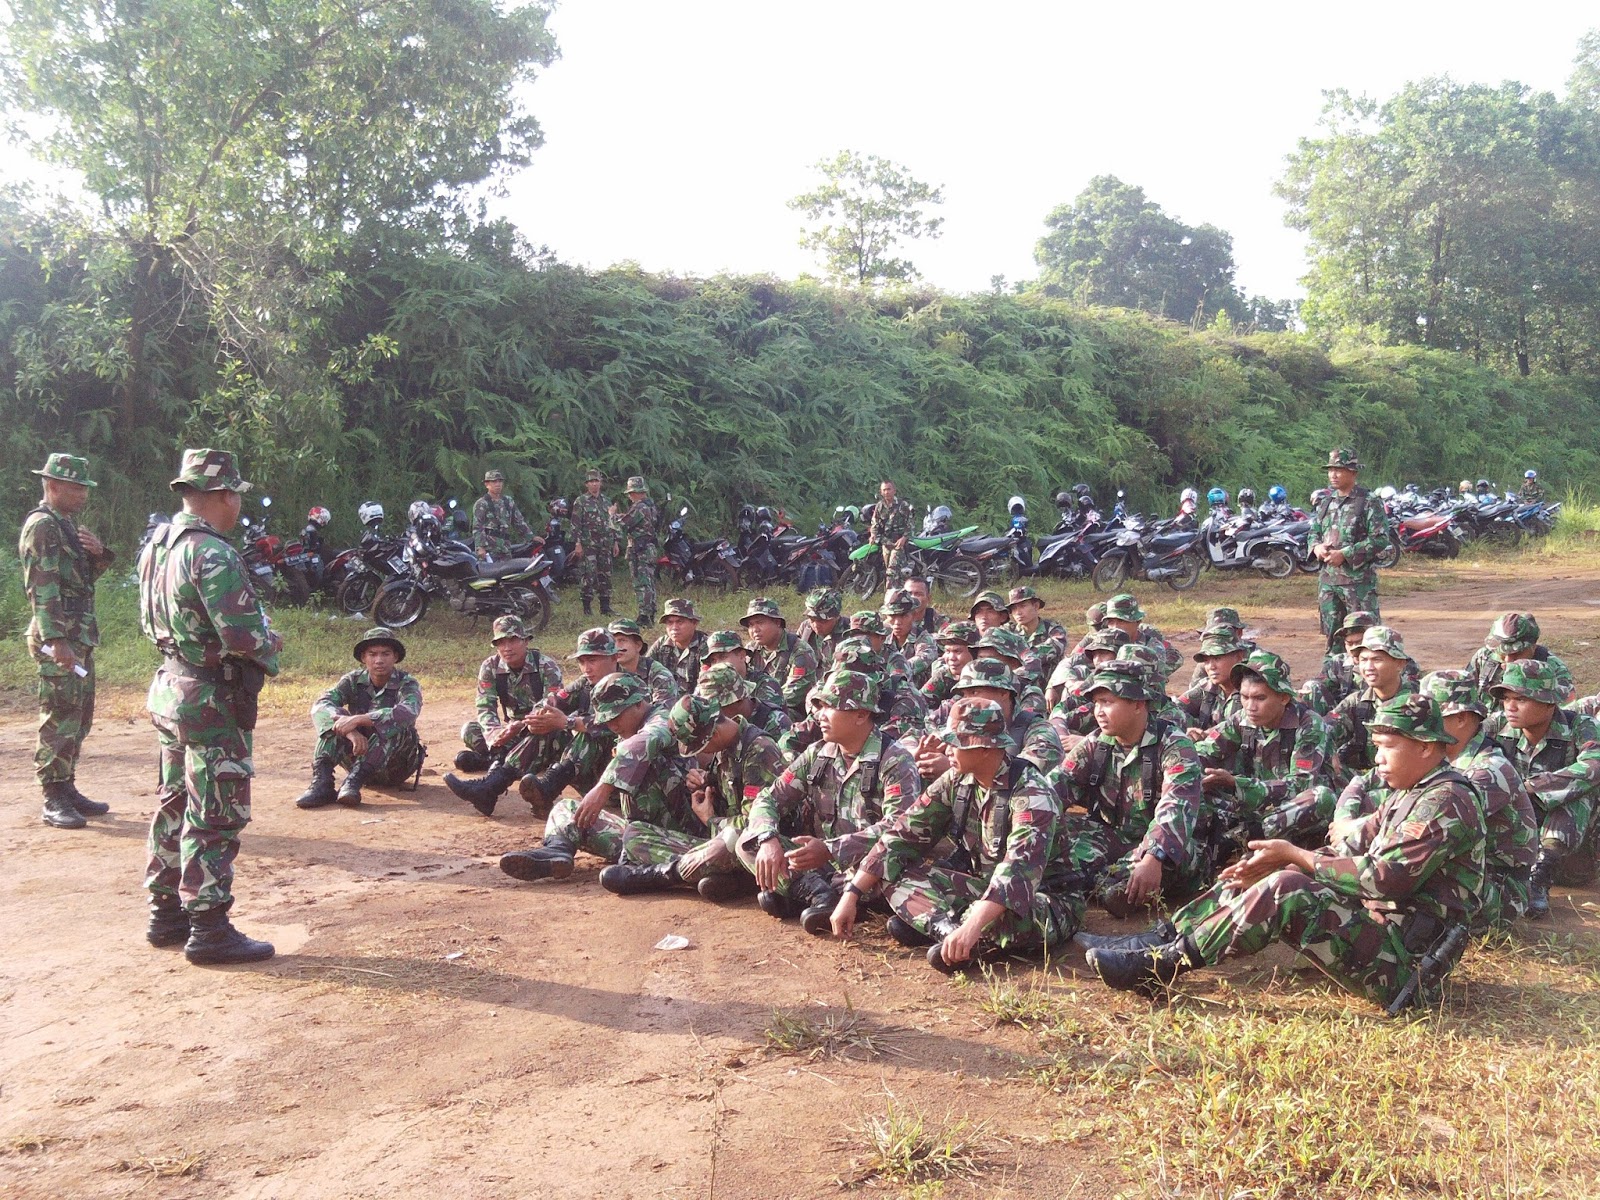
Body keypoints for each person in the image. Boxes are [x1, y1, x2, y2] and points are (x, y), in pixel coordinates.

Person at [1085, 694, 1485, 1014]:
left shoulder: (1445, 800)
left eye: (1388, 747)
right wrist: (1277, 859)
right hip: (1384, 931)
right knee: (1266, 873)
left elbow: (1384, 878)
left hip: (1405, 965)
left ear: (1428, 748)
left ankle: (1166, 965)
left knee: (1289, 887)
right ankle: (1162, 939)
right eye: (1377, 747)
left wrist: (1297, 857)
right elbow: (1351, 846)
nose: (1377, 758)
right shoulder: (1410, 793)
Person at [138, 448, 283, 964]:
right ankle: (209, 926)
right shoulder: (213, 552)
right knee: (215, 810)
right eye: (236, 497)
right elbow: (242, 636)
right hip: (211, 699)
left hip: (173, 685)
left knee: (175, 800)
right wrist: (270, 643)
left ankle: (166, 913)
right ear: (224, 495)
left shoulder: (158, 542)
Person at [831, 699, 1079, 973]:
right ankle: (949, 934)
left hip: (1043, 901)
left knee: (997, 916)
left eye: (956, 742)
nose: (947, 749)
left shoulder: (1032, 794)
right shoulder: (956, 780)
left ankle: (959, 935)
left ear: (985, 748)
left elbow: (1016, 875)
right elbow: (900, 836)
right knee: (895, 874)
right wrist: (851, 894)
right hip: (983, 888)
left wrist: (973, 924)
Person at [737, 671, 921, 933]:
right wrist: (767, 838)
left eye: (830, 707)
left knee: (903, 877)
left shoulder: (894, 760)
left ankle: (818, 897)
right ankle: (818, 894)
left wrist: (831, 849)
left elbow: (898, 829)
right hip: (825, 867)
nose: (820, 715)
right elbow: (769, 797)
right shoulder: (818, 754)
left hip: (871, 870)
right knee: (747, 841)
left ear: (861, 714)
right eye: (819, 706)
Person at [499, 672, 695, 882]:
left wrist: (603, 788)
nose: (613, 726)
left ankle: (686, 864)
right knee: (567, 809)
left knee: (645, 762)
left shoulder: (663, 718)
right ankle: (556, 851)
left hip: (679, 837)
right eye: (607, 719)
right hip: (638, 835)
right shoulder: (627, 725)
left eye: (616, 716)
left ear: (639, 703)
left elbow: (645, 741)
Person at [597, 685, 787, 900]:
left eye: (698, 746)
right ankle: (719, 875)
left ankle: (664, 875)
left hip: (754, 846)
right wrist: (703, 784)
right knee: (634, 835)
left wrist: (711, 819)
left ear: (713, 733)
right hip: (718, 838)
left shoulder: (760, 751)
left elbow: (754, 827)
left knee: (726, 845)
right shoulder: (726, 748)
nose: (700, 753)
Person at [1055, 661, 1206, 921]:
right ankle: (1098, 882)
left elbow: (1176, 808)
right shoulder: (1095, 745)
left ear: (1138, 704)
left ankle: (1099, 882)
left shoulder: (1175, 746)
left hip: (1163, 845)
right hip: (1111, 838)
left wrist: (1153, 856)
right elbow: (1054, 789)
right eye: (1097, 703)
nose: (1099, 712)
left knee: (1168, 861)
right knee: (1057, 834)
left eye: (1107, 702)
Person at [19, 453, 115, 829]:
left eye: (85, 488)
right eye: (76, 488)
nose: (83, 495)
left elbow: (81, 580)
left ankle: (67, 786)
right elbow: (41, 588)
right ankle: (53, 796)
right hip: (59, 639)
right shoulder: (43, 526)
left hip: (79, 637)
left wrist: (99, 554)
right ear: (53, 486)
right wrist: (57, 639)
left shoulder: (67, 526)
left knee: (79, 716)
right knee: (59, 717)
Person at [1482, 660, 1600, 917]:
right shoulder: (1495, 726)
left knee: (1578, 792)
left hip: (1570, 854)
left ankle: (1538, 879)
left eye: (1521, 699)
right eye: (1506, 698)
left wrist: (1534, 788)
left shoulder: (1580, 726)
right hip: (1516, 838)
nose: (1510, 706)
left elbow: (1595, 765)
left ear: (1549, 703)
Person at [1421, 672, 1537, 930]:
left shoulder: (1489, 770)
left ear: (1461, 718)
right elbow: (1369, 784)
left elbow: (1429, 822)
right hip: (1470, 873)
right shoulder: (1440, 755)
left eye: (1431, 717)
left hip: (1498, 891)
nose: (1421, 725)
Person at [1193, 650, 1331, 852]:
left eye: (1259, 698)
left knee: (1321, 798)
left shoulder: (1308, 724)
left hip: (1292, 805)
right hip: (1256, 803)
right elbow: (1203, 752)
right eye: (1245, 697)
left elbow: (1300, 785)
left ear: (1283, 698)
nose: (1250, 706)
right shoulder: (1242, 719)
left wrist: (1236, 784)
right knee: (1195, 786)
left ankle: (1242, 838)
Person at [440, 616, 565, 815]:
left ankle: (491, 776)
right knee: (470, 731)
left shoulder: (546, 666)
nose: (507, 647)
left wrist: (520, 726)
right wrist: (495, 734)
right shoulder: (490, 667)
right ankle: (501, 760)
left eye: (513, 640)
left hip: (539, 727)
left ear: (525, 641)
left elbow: (550, 706)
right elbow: (485, 707)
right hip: (509, 732)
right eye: (501, 642)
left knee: (542, 735)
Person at [297, 628, 424, 809]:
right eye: (372, 654)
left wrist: (358, 719)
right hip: (358, 756)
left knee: (395, 726)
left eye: (385, 654)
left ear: (395, 657)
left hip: (395, 765)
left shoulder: (407, 683)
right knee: (335, 719)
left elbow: (408, 712)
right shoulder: (352, 680)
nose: (379, 660)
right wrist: (351, 731)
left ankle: (353, 783)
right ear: (364, 658)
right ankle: (322, 784)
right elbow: (320, 706)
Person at [1308, 448, 1390, 647]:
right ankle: (1333, 673)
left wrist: (1345, 554)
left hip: (1358, 584)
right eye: (1330, 470)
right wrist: (1317, 547)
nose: (1333, 475)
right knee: (1333, 637)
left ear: (1353, 473)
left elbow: (1380, 538)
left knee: (1365, 638)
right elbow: (1313, 532)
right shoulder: (1326, 502)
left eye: (1339, 470)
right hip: (1329, 582)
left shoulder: (1368, 501)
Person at [1326, 626, 1416, 784]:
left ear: (1400, 664)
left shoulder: (1420, 702)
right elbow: (1324, 730)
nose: (1368, 667)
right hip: (1365, 780)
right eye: (1363, 660)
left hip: (1409, 781)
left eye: (1377, 660)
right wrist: (1327, 750)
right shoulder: (1357, 702)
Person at [1462, 613, 1572, 708]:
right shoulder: (1484, 658)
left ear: (1533, 647)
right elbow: (1463, 697)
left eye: (1516, 654)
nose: (1508, 660)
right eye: (1502, 654)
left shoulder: (1554, 669)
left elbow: (1563, 714)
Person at [741, 595, 821, 718]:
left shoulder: (800, 651)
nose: (755, 629)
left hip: (790, 712)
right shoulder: (751, 649)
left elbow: (792, 696)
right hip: (756, 708)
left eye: (760, 623)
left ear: (777, 622)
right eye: (751, 625)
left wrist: (754, 708)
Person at [1178, 630, 1248, 738]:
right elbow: (1174, 709)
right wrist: (1191, 730)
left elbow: (1242, 723)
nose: (1211, 666)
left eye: (1217, 658)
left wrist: (1208, 734)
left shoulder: (1253, 690)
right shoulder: (1208, 687)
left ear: (1239, 656)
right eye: (1206, 660)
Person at [1101, 593, 1181, 682]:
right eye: (1111, 622)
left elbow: (1157, 685)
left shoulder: (1153, 647)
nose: (1115, 627)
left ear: (1137, 622)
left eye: (1122, 621)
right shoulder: (1102, 643)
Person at [614, 475, 660, 625]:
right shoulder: (650, 505)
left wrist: (611, 515)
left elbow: (623, 524)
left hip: (640, 549)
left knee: (641, 583)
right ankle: (650, 612)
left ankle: (644, 615)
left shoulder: (639, 507)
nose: (629, 497)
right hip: (649, 548)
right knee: (649, 582)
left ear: (634, 493)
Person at [571, 468, 615, 617]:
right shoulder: (581, 501)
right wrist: (577, 543)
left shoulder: (606, 501)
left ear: (600, 483)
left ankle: (605, 607)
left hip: (605, 544)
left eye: (596, 481)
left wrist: (615, 541)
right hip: (588, 544)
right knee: (588, 575)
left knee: (606, 574)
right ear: (586, 484)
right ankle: (587, 607)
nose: (594, 484)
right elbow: (575, 524)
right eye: (591, 481)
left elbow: (612, 522)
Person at [1006, 586, 1070, 680]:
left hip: (1049, 687)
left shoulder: (1053, 629)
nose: (1018, 612)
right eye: (1014, 608)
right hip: (1017, 685)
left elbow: (1054, 647)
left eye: (1023, 606)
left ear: (1036, 606)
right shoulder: (1009, 632)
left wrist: (1017, 658)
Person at [881, 589, 939, 689]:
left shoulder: (924, 638)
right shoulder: (881, 635)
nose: (897, 622)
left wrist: (896, 669)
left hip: (914, 693)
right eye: (892, 616)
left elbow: (922, 659)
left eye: (904, 616)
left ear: (913, 616)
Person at [648, 597, 709, 692]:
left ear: (694, 623)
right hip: (665, 699)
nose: (674, 627)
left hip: (697, 701)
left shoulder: (706, 645)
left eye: (680, 622)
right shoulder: (662, 644)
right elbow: (645, 670)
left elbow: (708, 683)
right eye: (670, 622)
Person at [472, 468, 534, 560]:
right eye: (494, 482)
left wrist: (531, 537)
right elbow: (477, 527)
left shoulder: (508, 501)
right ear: (487, 484)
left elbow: (518, 522)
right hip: (489, 550)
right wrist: (480, 547)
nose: (498, 484)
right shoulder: (482, 503)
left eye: (500, 481)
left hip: (505, 548)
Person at [922, 620, 981, 708]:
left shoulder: (983, 679)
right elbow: (919, 702)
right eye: (947, 651)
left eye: (957, 651)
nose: (951, 658)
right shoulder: (945, 674)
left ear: (974, 653)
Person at [866, 479, 913, 577]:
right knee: (888, 569)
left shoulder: (902, 505)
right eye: (884, 490)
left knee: (892, 570)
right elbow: (875, 522)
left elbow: (910, 523)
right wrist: (873, 534)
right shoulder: (879, 506)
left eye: (889, 489)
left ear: (894, 490)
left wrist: (904, 538)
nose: (886, 492)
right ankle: (892, 590)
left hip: (899, 543)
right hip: (886, 542)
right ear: (881, 492)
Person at [796, 587, 846, 675]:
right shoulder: (806, 628)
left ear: (836, 617)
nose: (816, 625)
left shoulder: (850, 633)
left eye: (822, 621)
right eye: (812, 619)